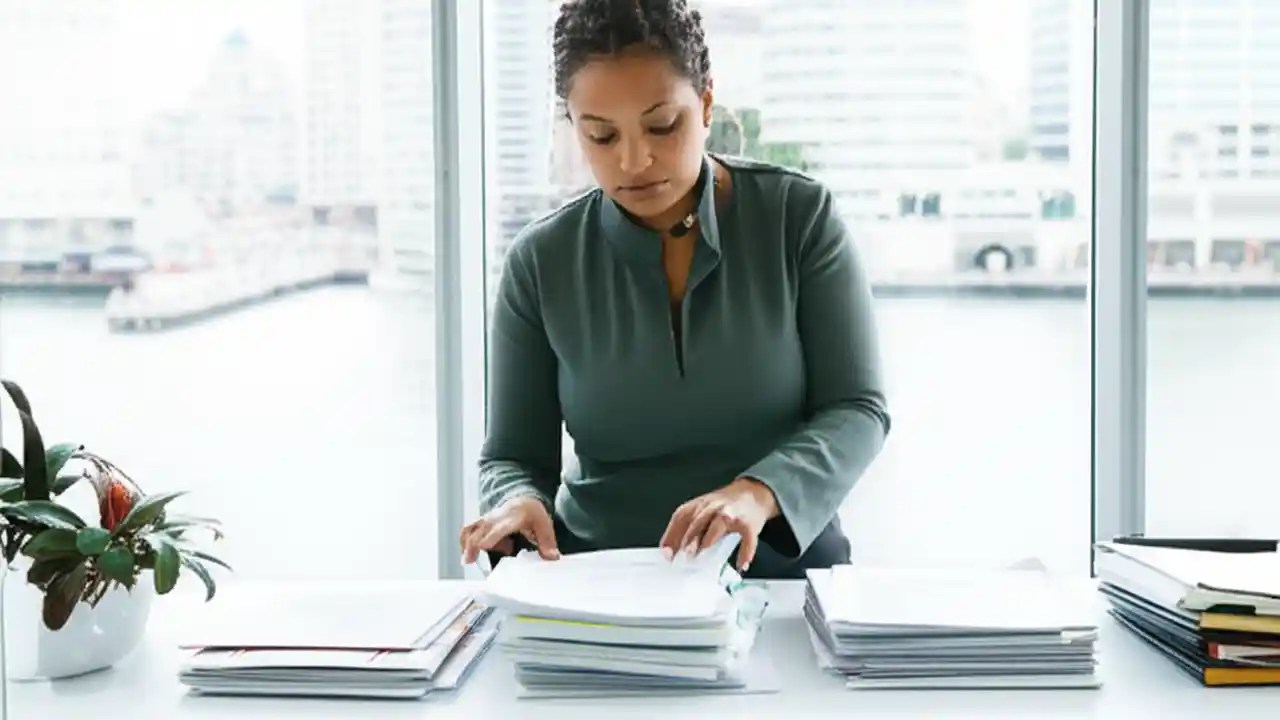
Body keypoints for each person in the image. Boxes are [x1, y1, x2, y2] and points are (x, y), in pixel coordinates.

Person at [459, 0, 890, 579]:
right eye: (601, 135)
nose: (634, 161)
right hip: (601, 588)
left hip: (782, 578)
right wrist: (516, 500)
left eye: (663, 125)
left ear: (706, 103)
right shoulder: (540, 261)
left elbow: (858, 409)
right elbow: (512, 456)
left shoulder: (799, 217)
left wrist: (757, 492)